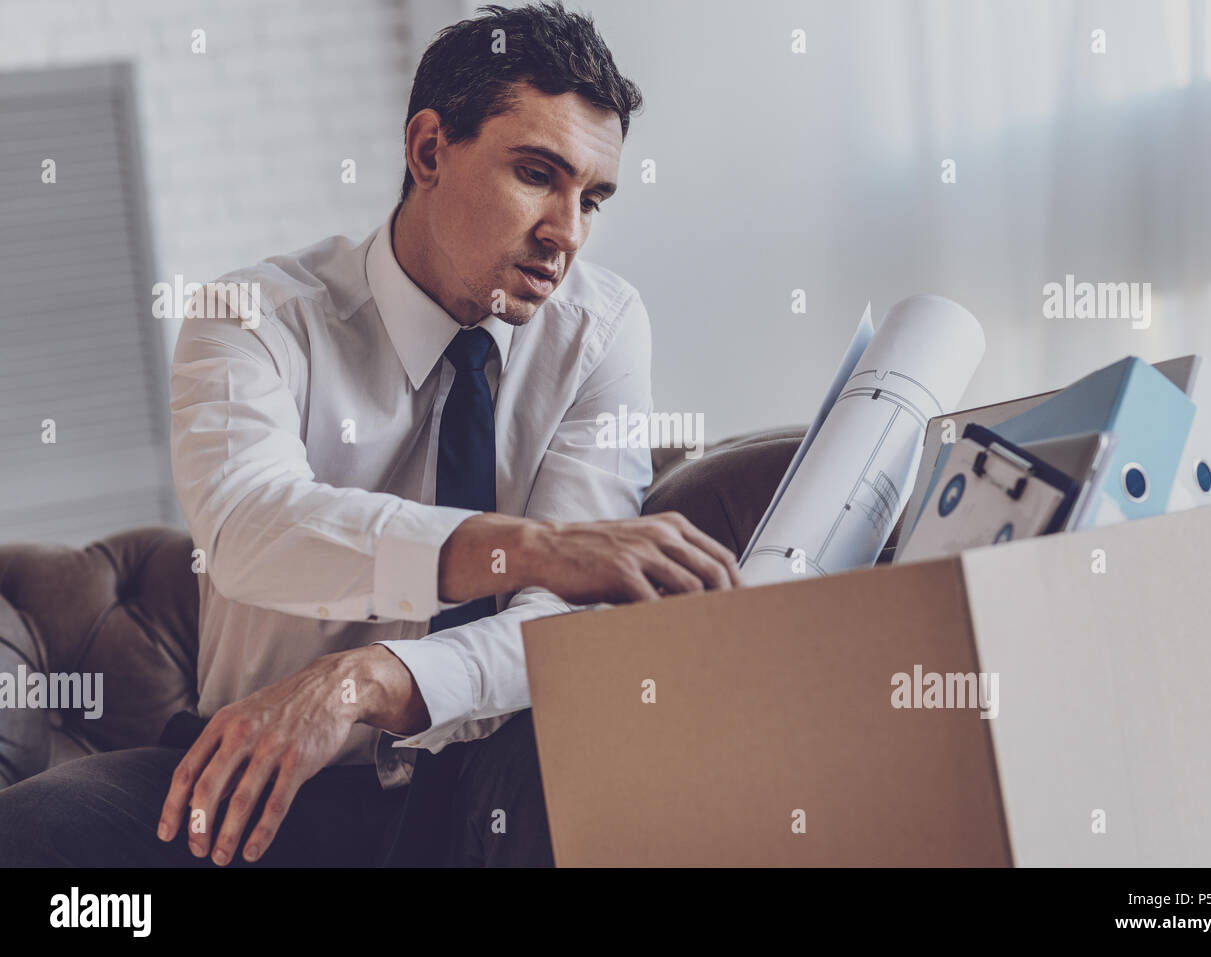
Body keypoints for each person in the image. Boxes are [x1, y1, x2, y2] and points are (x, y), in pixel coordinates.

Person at [0, 0, 739, 868]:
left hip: (481, 764)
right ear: (428, 149)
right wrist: (536, 546)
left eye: (592, 197)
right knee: (41, 833)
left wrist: (372, 679)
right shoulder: (256, 317)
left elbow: (564, 623)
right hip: (268, 775)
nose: (566, 233)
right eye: (537, 174)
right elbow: (251, 528)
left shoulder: (602, 329)